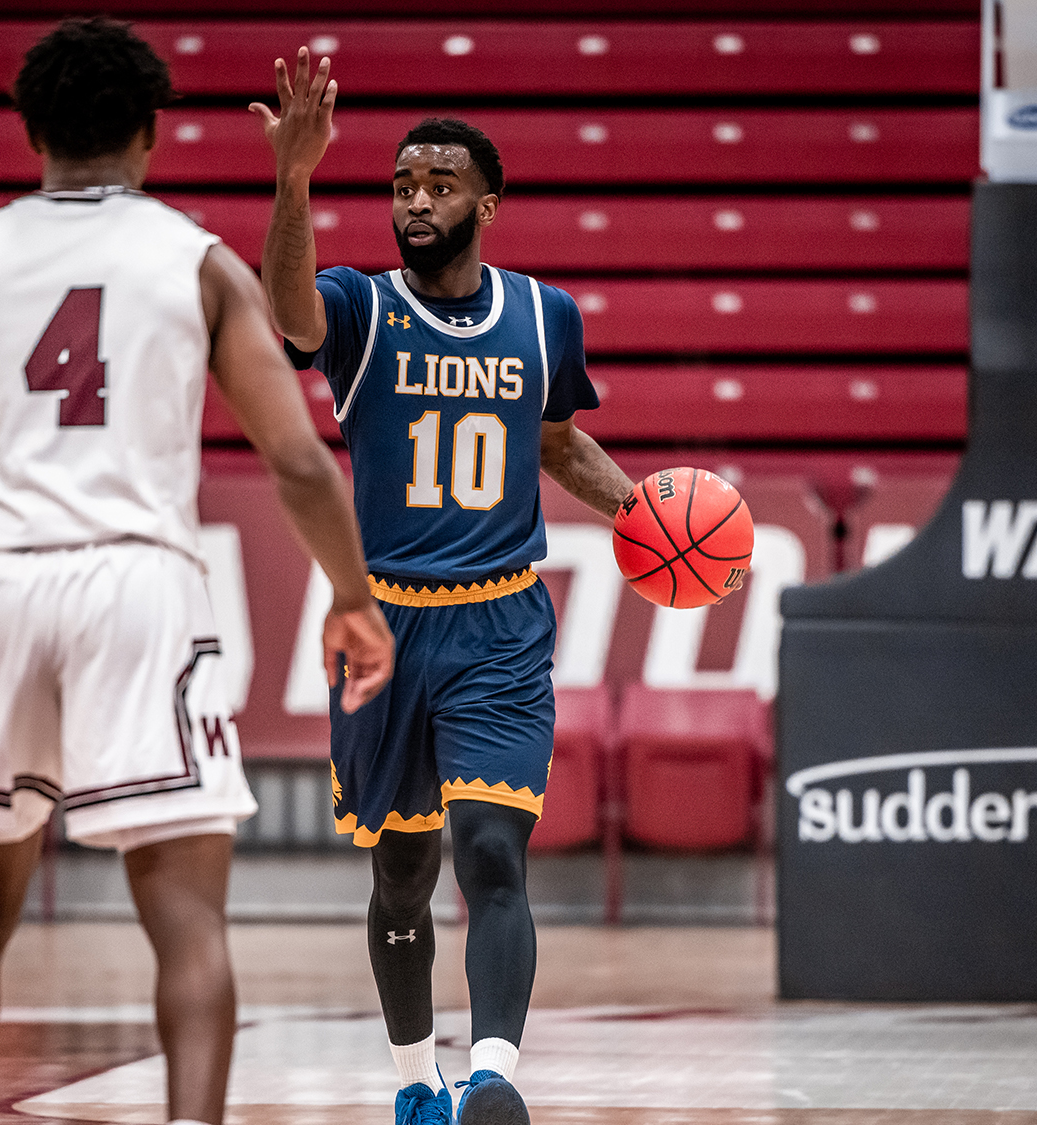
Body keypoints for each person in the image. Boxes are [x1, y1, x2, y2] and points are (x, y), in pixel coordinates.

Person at [0, 19, 393, 1125]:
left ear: (31, 133)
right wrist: (354, 597)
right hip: (137, 586)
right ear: (150, 133)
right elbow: (296, 460)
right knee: (186, 918)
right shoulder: (194, 260)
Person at [252, 49, 637, 1125]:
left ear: (487, 205)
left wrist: (639, 513)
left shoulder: (544, 316)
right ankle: (417, 1082)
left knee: (492, 852)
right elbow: (287, 312)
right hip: (385, 627)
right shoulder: (361, 308)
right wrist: (293, 180)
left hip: (499, 621)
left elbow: (556, 444)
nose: (416, 200)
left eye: (439, 184)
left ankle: (494, 1077)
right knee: (401, 874)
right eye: (402, 185)